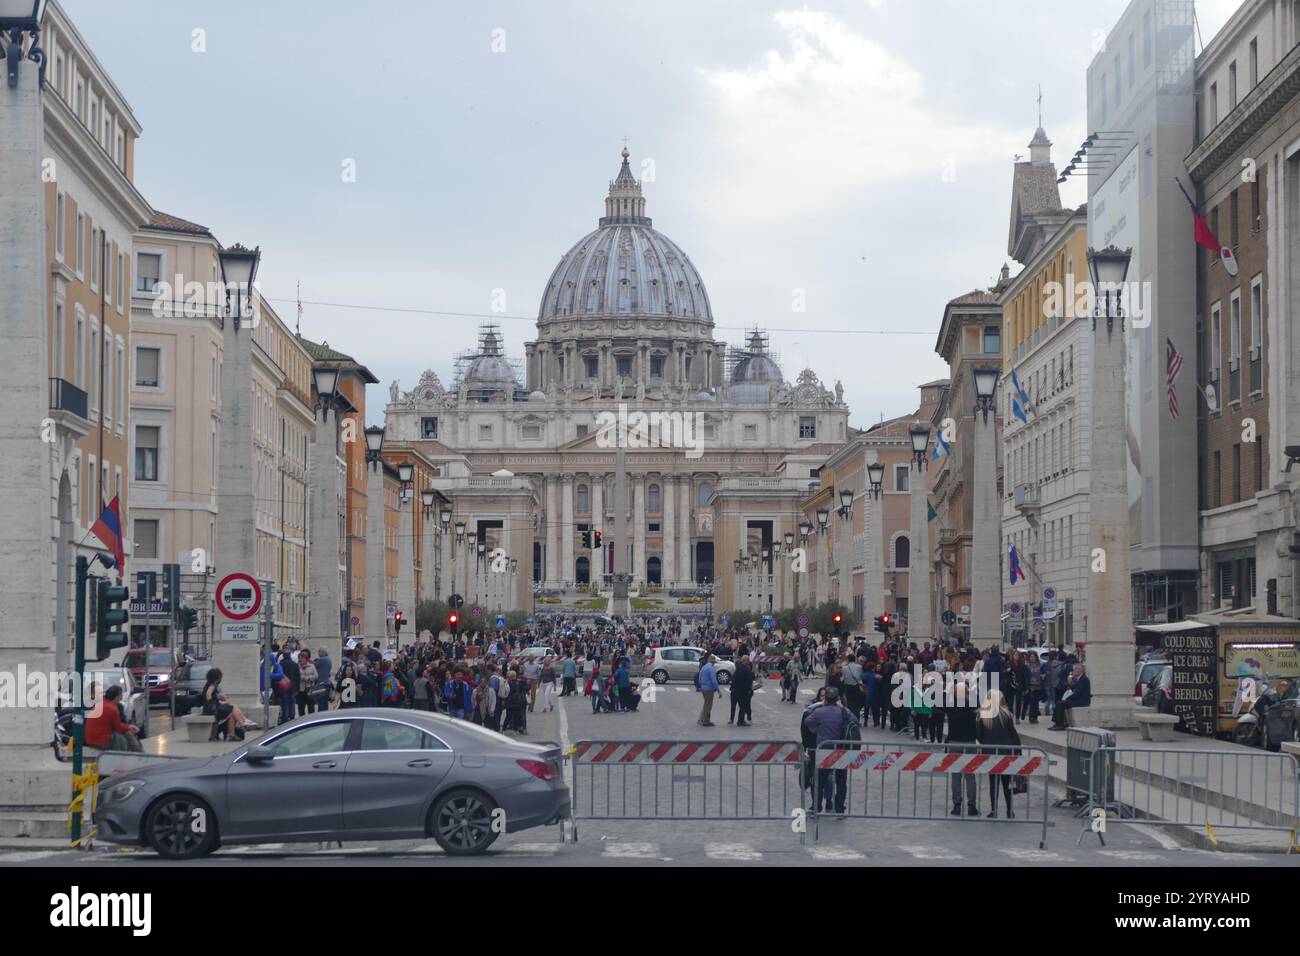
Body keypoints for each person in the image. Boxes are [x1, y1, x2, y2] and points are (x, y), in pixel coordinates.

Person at [802, 687, 856, 814]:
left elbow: (807, 721)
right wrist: (842, 707)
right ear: (838, 699)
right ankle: (839, 808)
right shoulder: (843, 711)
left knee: (819, 780)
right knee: (841, 781)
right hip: (841, 750)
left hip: (824, 750)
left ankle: (817, 806)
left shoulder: (820, 711)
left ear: (825, 699)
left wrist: (815, 729)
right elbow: (854, 720)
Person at [977, 688, 1021, 818]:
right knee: (1007, 782)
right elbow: (1013, 734)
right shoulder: (1007, 714)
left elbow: (979, 735)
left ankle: (994, 809)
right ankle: (1009, 810)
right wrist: (1018, 750)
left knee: (993, 782)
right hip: (1006, 751)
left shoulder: (983, 715)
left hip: (990, 752)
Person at [945, 663, 980, 817]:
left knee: (955, 775)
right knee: (970, 776)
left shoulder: (951, 705)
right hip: (970, 742)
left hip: (954, 742)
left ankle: (957, 805)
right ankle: (972, 805)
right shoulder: (972, 705)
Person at [85, 684, 143, 752]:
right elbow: (118, 728)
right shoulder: (111, 709)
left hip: (91, 740)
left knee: (125, 734)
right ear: (116, 697)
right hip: (101, 741)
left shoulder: (101, 704)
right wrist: (129, 728)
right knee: (126, 736)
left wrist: (128, 727)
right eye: (121, 695)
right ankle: (138, 753)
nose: (121, 698)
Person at [199, 668, 247, 741]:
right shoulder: (214, 684)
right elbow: (208, 694)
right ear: (218, 677)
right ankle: (243, 724)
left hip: (210, 709)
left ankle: (232, 735)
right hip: (212, 710)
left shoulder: (209, 684)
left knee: (232, 715)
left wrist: (220, 698)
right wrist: (212, 703)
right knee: (233, 707)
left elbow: (212, 695)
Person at [1048, 664, 1091, 730]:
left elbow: (1078, 693)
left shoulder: (1084, 679)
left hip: (1081, 701)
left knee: (1060, 704)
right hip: (1077, 699)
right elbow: (1073, 688)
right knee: (1059, 703)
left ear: (1080, 670)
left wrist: (1067, 699)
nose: (1073, 671)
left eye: (1075, 670)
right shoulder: (1078, 678)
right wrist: (1070, 682)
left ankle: (1060, 724)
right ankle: (1058, 723)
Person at [730, 656, 755, 726]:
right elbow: (748, 682)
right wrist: (748, 691)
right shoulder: (746, 670)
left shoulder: (738, 669)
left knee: (740, 706)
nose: (749, 662)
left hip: (736, 690)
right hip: (743, 691)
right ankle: (741, 721)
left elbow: (734, 679)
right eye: (748, 660)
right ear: (746, 661)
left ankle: (736, 720)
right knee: (743, 706)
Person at [697, 653, 720, 727]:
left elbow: (699, 677)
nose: (714, 664)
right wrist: (718, 690)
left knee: (706, 704)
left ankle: (701, 719)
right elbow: (714, 681)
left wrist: (701, 685)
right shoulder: (711, 669)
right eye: (714, 663)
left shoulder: (704, 667)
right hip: (709, 689)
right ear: (712, 662)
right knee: (708, 706)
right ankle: (706, 721)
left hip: (703, 688)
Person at [296, 650, 319, 715]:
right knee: (301, 707)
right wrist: (303, 678)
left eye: (302, 658)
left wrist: (309, 678)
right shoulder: (297, 667)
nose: (300, 660)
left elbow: (316, 676)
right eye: (299, 658)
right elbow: (296, 676)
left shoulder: (312, 666)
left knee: (311, 706)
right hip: (301, 689)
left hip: (310, 689)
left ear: (306, 659)